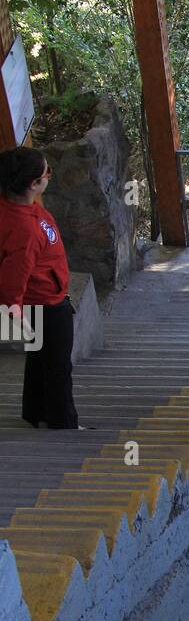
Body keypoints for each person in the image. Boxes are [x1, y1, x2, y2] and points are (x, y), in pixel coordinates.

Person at [0, 146, 79, 429]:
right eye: (48, 172)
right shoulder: (25, 229)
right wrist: (14, 310)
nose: (49, 176)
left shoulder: (18, 208)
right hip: (46, 303)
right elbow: (15, 273)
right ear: (34, 184)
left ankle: (35, 414)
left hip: (41, 299)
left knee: (38, 361)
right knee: (59, 367)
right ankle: (64, 424)